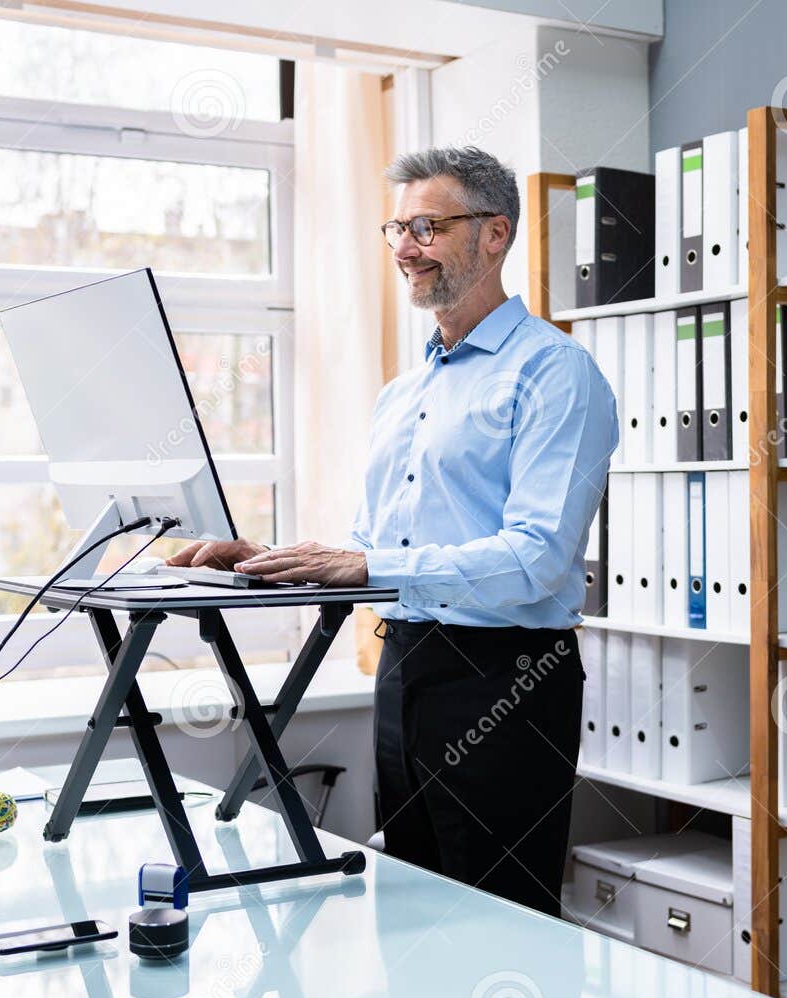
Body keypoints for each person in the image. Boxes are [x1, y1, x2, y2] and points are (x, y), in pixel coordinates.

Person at [167, 146, 617, 915]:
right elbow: (380, 549)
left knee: (499, 924)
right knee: (409, 913)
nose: (405, 248)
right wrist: (278, 558)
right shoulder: (400, 394)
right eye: (396, 229)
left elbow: (538, 560)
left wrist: (363, 563)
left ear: (494, 233)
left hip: (505, 680)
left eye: (426, 226)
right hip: (404, 668)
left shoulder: (553, 372)